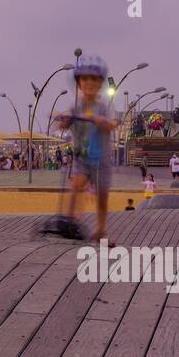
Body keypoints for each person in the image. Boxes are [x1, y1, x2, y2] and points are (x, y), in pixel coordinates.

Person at [52, 55, 119, 243]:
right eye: (84, 79)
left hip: (101, 159)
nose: (89, 83)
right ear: (79, 83)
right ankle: (70, 221)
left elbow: (112, 124)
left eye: (93, 79)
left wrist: (102, 122)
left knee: (102, 197)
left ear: (100, 84)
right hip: (82, 157)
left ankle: (101, 230)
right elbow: (66, 123)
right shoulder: (76, 106)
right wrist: (63, 121)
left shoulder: (104, 106)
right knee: (75, 185)